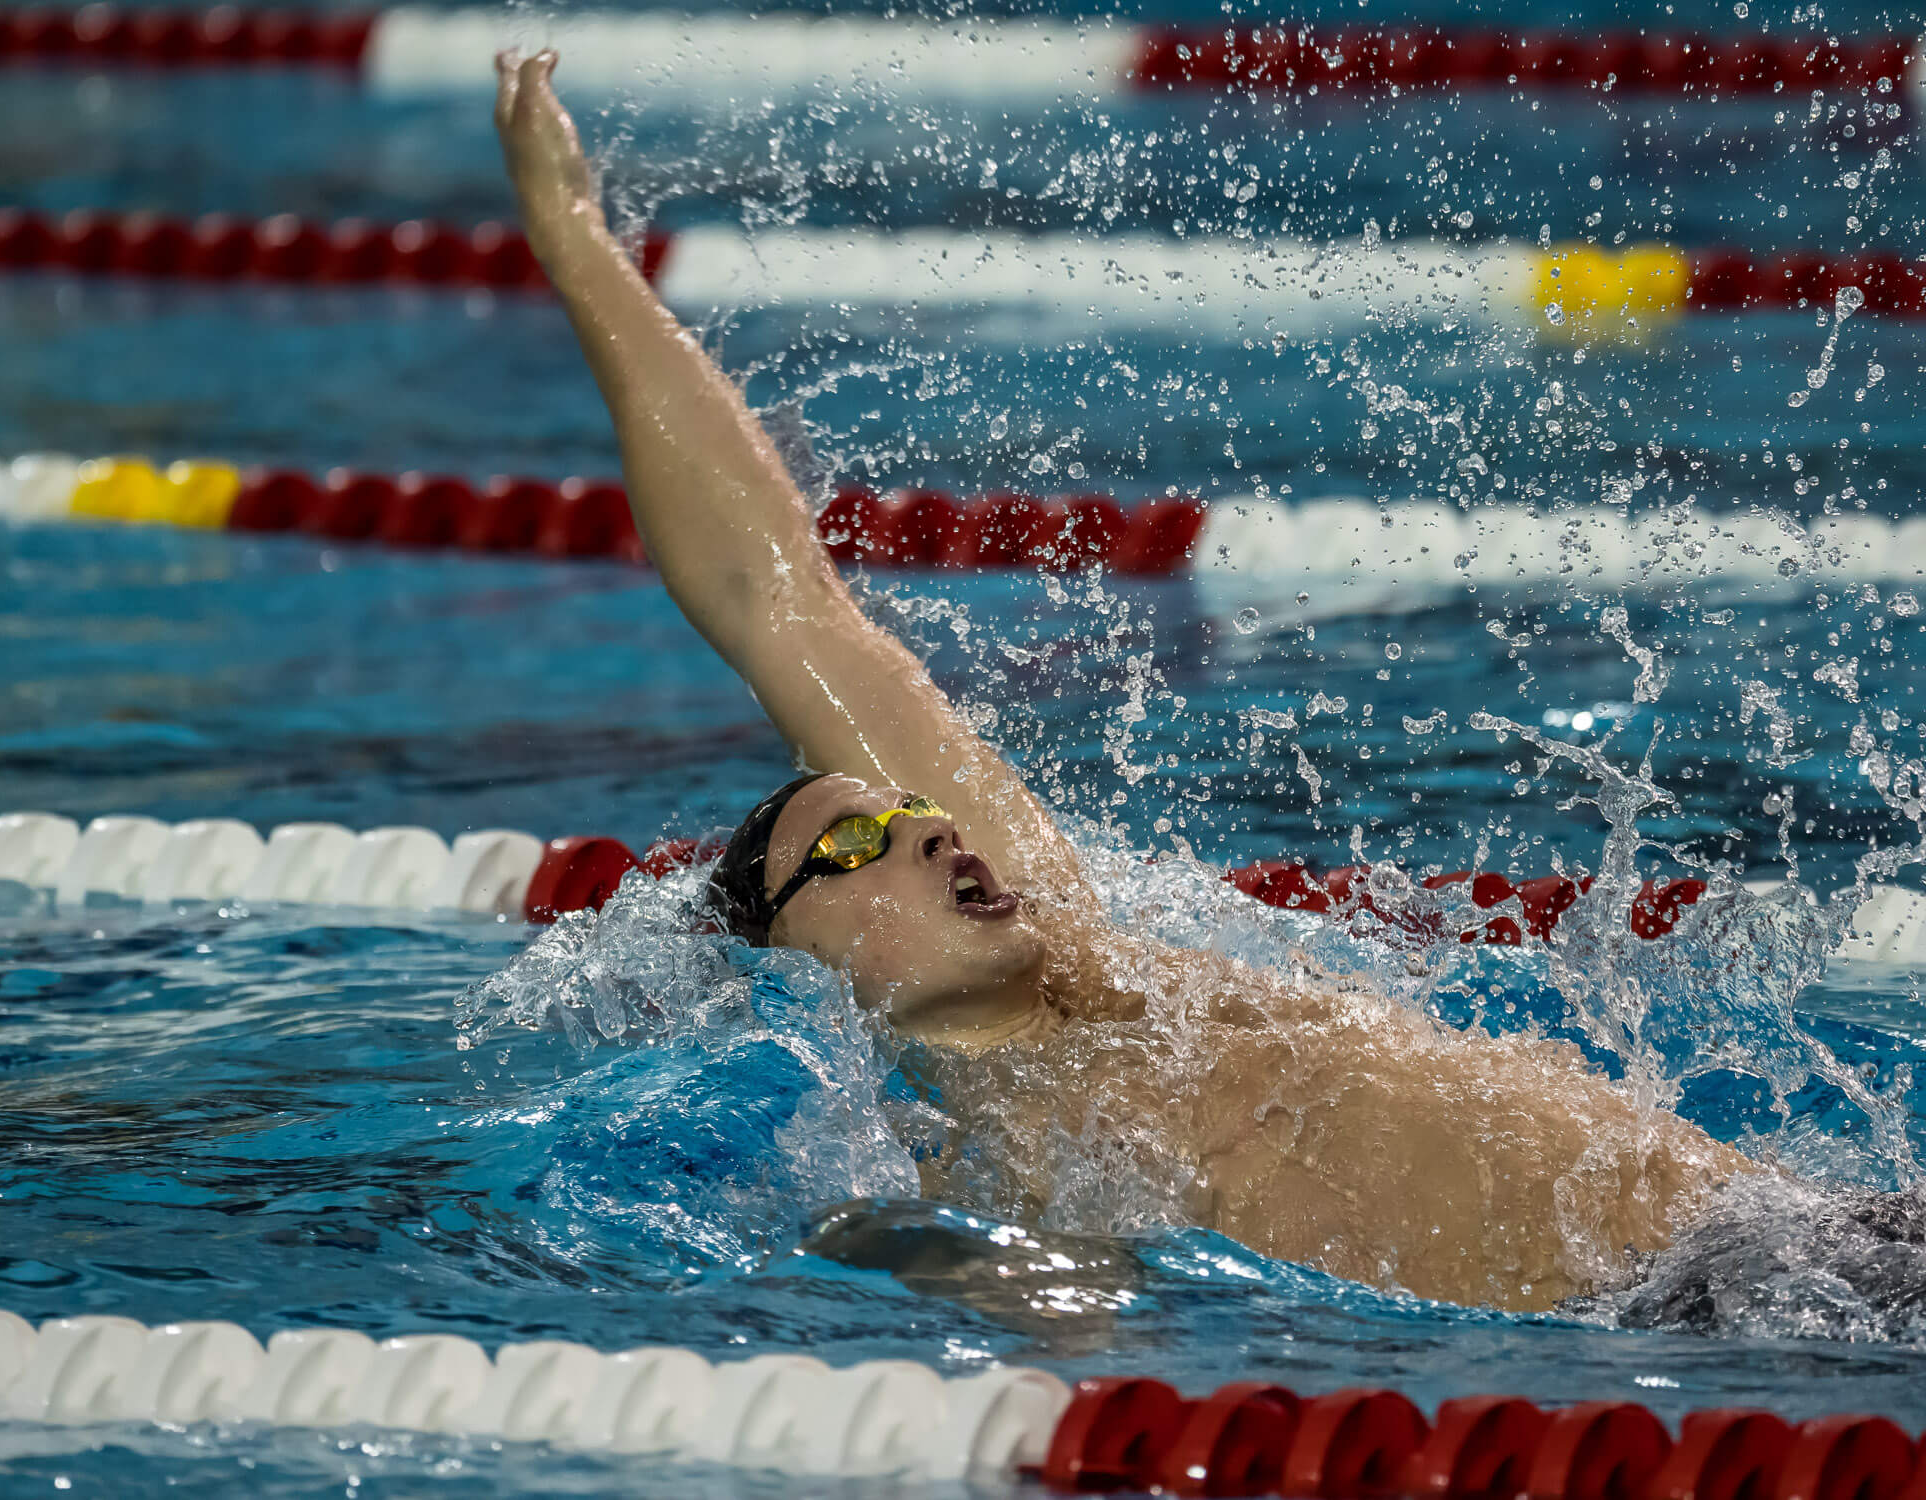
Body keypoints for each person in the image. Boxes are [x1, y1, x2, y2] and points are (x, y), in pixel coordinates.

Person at [492, 48, 1753, 1312]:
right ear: (790, 971)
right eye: (857, 840)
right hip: (1701, 1327)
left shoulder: (1103, 977)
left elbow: (785, 602)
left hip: (1781, 1237)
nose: (923, 823)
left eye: (910, 809)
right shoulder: (1013, 1182)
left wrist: (582, 245)